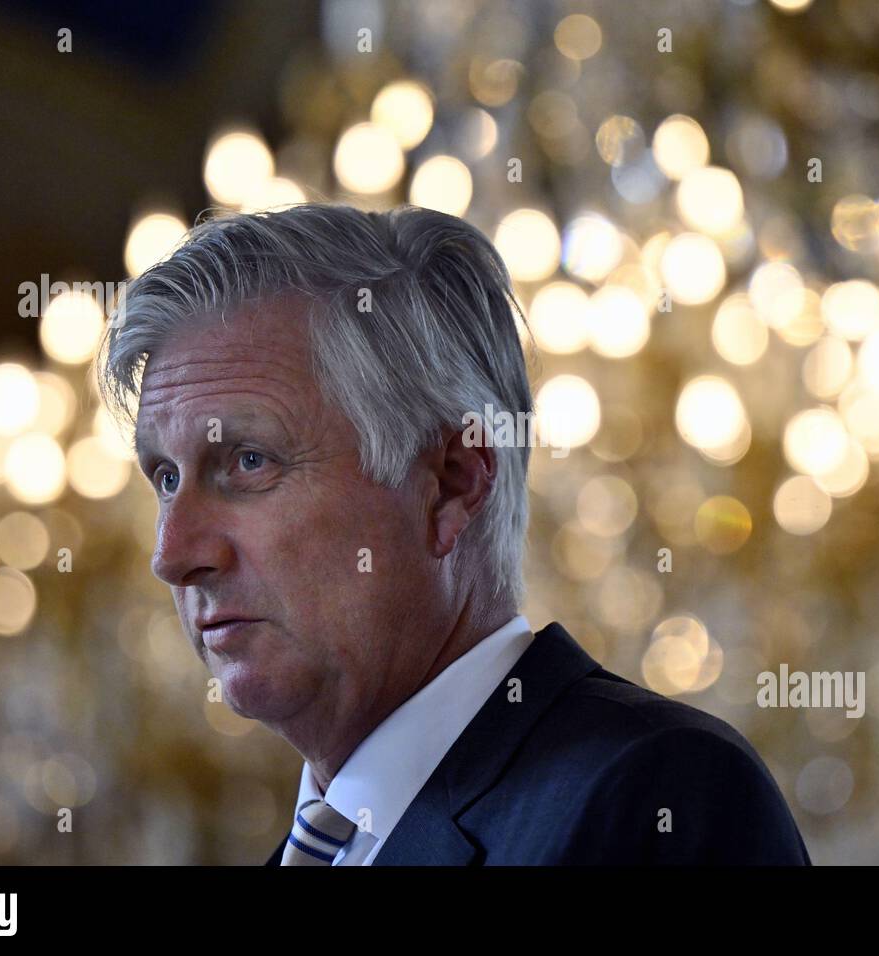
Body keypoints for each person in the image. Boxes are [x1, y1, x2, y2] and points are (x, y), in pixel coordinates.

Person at [96, 202, 811, 865]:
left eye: (248, 462)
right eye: (164, 478)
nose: (173, 555)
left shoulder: (655, 795)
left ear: (449, 485)